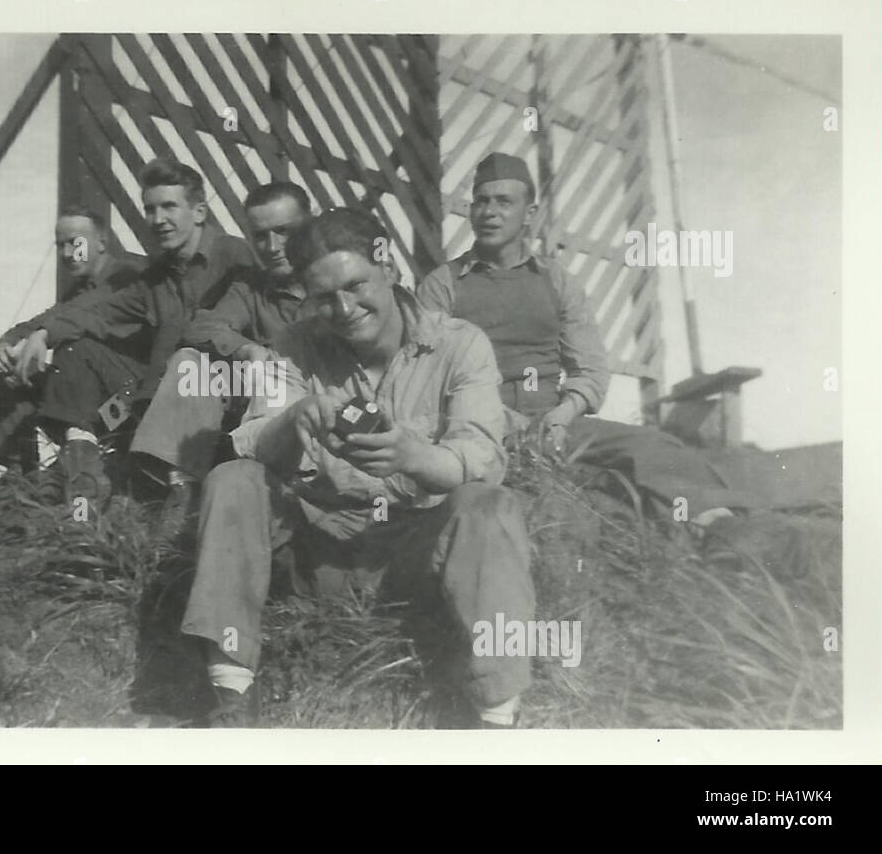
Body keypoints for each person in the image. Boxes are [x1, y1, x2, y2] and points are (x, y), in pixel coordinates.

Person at [180, 208, 534, 728]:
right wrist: (294, 418)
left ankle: (496, 716)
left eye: (356, 285)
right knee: (234, 478)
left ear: (386, 262)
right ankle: (231, 695)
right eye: (324, 298)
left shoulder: (460, 344)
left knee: (489, 505)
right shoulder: (293, 350)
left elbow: (481, 458)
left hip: (415, 558)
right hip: (317, 554)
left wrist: (414, 457)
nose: (345, 308)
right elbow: (254, 441)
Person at [417, 152, 753, 521]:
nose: (489, 212)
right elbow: (429, 377)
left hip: (553, 422)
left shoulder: (556, 281)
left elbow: (590, 367)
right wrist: (501, 421)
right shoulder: (442, 286)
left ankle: (718, 524)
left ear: (529, 213)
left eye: (503, 202)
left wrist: (564, 413)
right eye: (480, 201)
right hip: (477, 425)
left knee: (652, 447)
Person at [10, 158, 255, 506]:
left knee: (189, 362)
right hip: (159, 393)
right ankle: (83, 478)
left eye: (169, 207)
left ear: (199, 212)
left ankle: (172, 485)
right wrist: (43, 335)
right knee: (79, 352)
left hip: (223, 387)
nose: (158, 220)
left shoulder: (232, 255)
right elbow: (99, 312)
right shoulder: (155, 277)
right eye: (150, 209)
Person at [130, 181, 312, 536]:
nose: (273, 247)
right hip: (266, 402)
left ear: (310, 225)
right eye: (260, 236)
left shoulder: (335, 280)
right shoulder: (251, 287)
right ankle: (181, 486)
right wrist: (248, 349)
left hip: (323, 399)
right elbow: (203, 326)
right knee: (190, 363)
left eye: (284, 232)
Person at [0, 207, 145, 474]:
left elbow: (83, 314)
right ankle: (20, 474)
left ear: (102, 242)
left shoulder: (129, 275)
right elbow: (44, 319)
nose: (67, 254)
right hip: (91, 394)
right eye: (61, 245)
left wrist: (44, 335)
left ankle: (82, 469)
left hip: (131, 400)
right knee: (8, 369)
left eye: (75, 243)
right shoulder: (79, 290)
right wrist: (6, 342)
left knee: (73, 347)